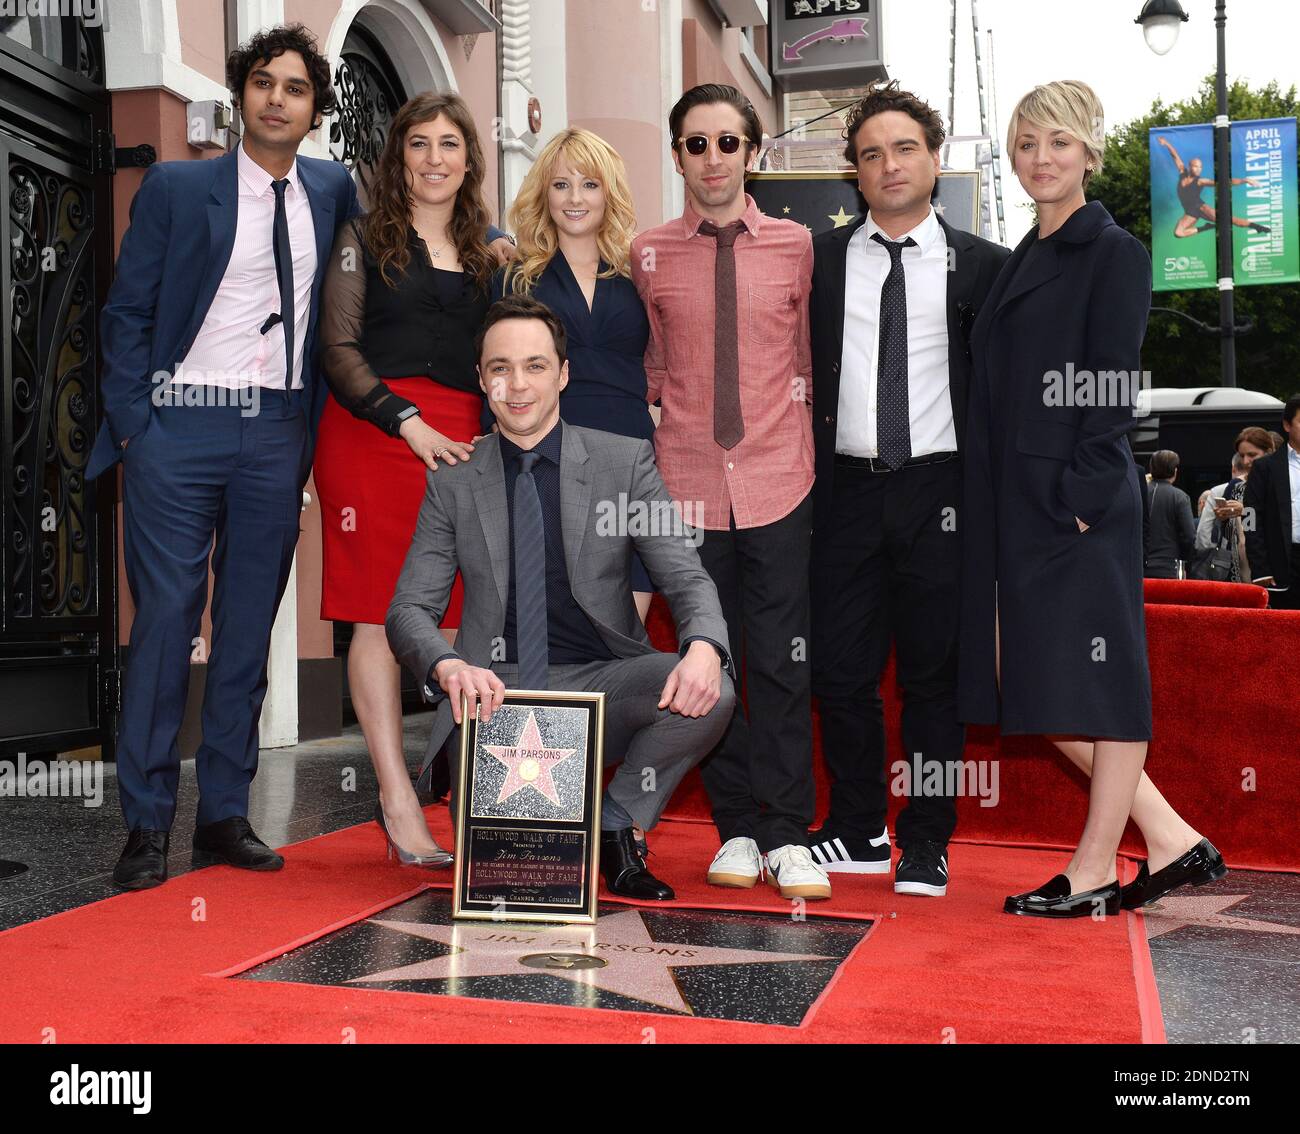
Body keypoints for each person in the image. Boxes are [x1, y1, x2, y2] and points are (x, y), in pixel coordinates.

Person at [86, 25, 360, 891]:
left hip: (277, 430)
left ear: (315, 110)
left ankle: (224, 816)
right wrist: (136, 425)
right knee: (169, 619)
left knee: (246, 624)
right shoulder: (179, 186)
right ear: (241, 96)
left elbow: (409, 236)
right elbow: (127, 311)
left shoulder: (333, 189)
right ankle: (145, 825)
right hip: (180, 424)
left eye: (297, 88)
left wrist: (498, 235)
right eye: (264, 83)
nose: (279, 98)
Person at [958, 80, 1225, 919]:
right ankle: (1173, 838)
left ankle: (1097, 864)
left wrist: (1078, 496)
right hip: (1016, 504)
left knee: (1101, 687)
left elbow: (1114, 385)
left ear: (1090, 152)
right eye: (1027, 143)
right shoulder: (1023, 256)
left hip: (1077, 504)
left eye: (1059, 143)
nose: (1041, 158)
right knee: (1024, 677)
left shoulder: (1112, 251)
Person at [385, 296, 736, 899]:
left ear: (563, 374)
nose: (517, 385)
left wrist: (704, 644)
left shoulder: (624, 462)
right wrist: (448, 666)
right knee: (514, 884)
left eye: (535, 366)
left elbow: (683, 573)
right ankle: (537, 821)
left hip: (602, 684)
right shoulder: (454, 479)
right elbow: (407, 611)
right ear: (481, 378)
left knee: (714, 690)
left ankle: (616, 826)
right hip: (492, 696)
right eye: (500, 368)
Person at [807, 82, 1009, 897]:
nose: (888, 165)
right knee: (840, 672)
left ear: (934, 158)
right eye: (870, 154)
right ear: (853, 174)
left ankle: (926, 839)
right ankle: (855, 828)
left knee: (935, 677)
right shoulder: (815, 263)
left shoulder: (989, 268)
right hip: (844, 492)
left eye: (904, 149)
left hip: (945, 494)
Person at [631, 84, 825, 900]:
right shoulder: (647, 254)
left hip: (782, 480)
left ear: (753, 152)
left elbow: (808, 362)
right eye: (696, 144)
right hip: (686, 488)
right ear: (678, 156)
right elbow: (649, 367)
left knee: (782, 662)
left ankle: (787, 835)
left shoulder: (798, 246)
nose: (713, 158)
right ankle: (736, 829)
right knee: (711, 663)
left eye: (728, 142)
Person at [316, 92, 509, 866]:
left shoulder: (490, 251)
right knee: (376, 615)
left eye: (449, 145)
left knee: (461, 619)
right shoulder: (363, 238)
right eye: (418, 144)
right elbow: (337, 348)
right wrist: (406, 421)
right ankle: (396, 800)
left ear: (470, 160)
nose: (434, 158)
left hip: (465, 440)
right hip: (373, 433)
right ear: (399, 159)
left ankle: (449, 784)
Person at [492, 128, 656, 619]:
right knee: (553, 613)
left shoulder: (640, 271)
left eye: (590, 184)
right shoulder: (516, 275)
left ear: (610, 192)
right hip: (546, 450)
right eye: (562, 185)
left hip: (632, 452)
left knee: (628, 618)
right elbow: (494, 371)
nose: (575, 198)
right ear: (545, 193)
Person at [1244, 394, 1300, 609]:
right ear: (1287, 425)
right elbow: (1249, 516)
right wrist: (1260, 568)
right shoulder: (1265, 468)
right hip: (1281, 565)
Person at [1154, 134, 1268, 238]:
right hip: (1190, 212)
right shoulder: (1182, 172)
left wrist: (1244, 180)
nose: (1199, 169)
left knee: (1230, 220)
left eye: (1200, 167)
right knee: (1178, 233)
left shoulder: (1201, 181)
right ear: (1190, 167)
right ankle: (1204, 228)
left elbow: (1224, 183)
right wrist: (1167, 144)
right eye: (1196, 166)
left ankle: (1258, 227)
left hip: (1202, 208)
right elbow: (1175, 156)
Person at [1193, 450, 1251, 582]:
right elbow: (1250, 528)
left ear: (1233, 467)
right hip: (1258, 564)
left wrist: (1207, 555)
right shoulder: (1262, 490)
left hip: (1226, 563)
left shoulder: (1221, 490)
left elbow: (1203, 535)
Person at [1144, 449, 1196, 578]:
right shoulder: (1180, 497)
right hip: (1168, 567)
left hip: (1139, 566)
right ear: (1175, 471)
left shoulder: (1140, 494)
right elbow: (1189, 536)